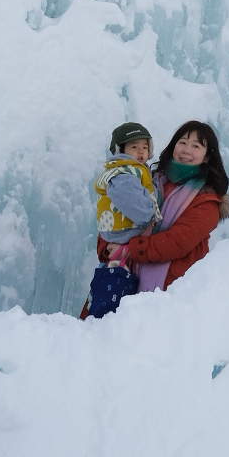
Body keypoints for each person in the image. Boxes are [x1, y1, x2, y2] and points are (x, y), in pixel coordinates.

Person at [122, 120, 229, 293]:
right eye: (182, 142)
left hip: (170, 293)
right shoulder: (149, 180)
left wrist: (126, 249)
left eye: (196, 146)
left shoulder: (207, 201)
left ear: (207, 156)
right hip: (122, 276)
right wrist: (107, 247)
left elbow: (176, 242)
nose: (187, 150)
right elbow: (116, 214)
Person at [84, 120, 161, 318]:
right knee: (116, 276)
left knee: (118, 272)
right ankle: (107, 315)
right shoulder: (124, 173)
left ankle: (107, 310)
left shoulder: (132, 170)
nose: (141, 152)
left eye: (145, 147)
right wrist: (149, 214)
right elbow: (132, 202)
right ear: (120, 149)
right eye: (134, 147)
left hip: (122, 232)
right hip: (125, 232)